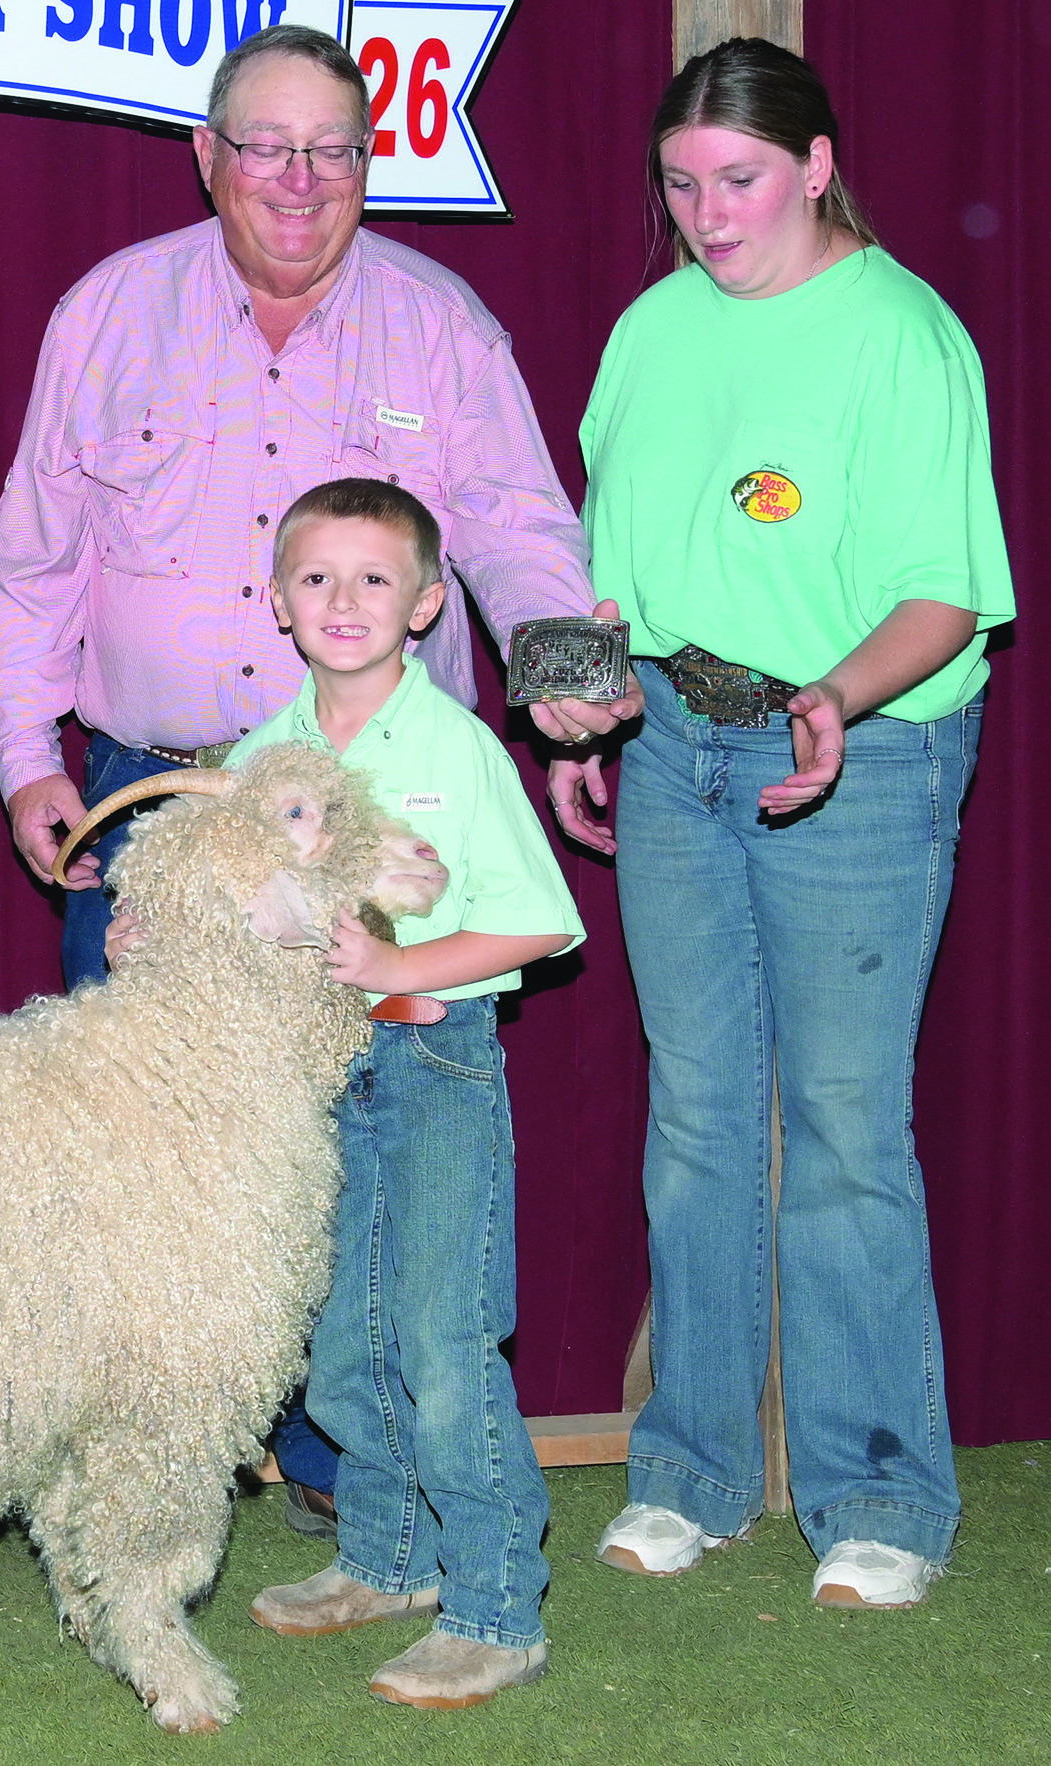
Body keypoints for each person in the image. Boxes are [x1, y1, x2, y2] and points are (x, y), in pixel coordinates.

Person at [565, 39, 1013, 1610]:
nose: (706, 213)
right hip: (678, 743)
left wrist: (828, 697)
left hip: (865, 750)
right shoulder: (648, 332)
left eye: (737, 180)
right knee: (693, 1112)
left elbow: (944, 593)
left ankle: (879, 1493)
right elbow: (606, 570)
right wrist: (582, 707)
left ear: (816, 165)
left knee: (837, 1127)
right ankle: (688, 1466)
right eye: (680, 185)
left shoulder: (902, 334)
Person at [0, 22, 634, 996]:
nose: (299, 179)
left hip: (375, 805)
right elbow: (34, 561)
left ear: (366, 160)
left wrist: (576, 690)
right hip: (150, 799)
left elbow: (518, 535)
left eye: (331, 150)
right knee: (138, 1136)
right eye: (266, 147)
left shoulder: (443, 325)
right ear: (208, 156)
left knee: (384, 1123)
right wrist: (25, 758)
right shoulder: (104, 315)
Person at [205, 478, 583, 1707]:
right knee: (336, 1333)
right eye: (316, 577)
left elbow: (537, 918)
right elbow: (241, 912)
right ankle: (385, 1553)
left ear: (427, 602)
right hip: (310, 1073)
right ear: (275, 601)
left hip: (432, 1059)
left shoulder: (456, 746)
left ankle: (492, 1603)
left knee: (438, 1334)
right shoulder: (259, 762)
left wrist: (397, 963)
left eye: (375, 578)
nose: (344, 601)